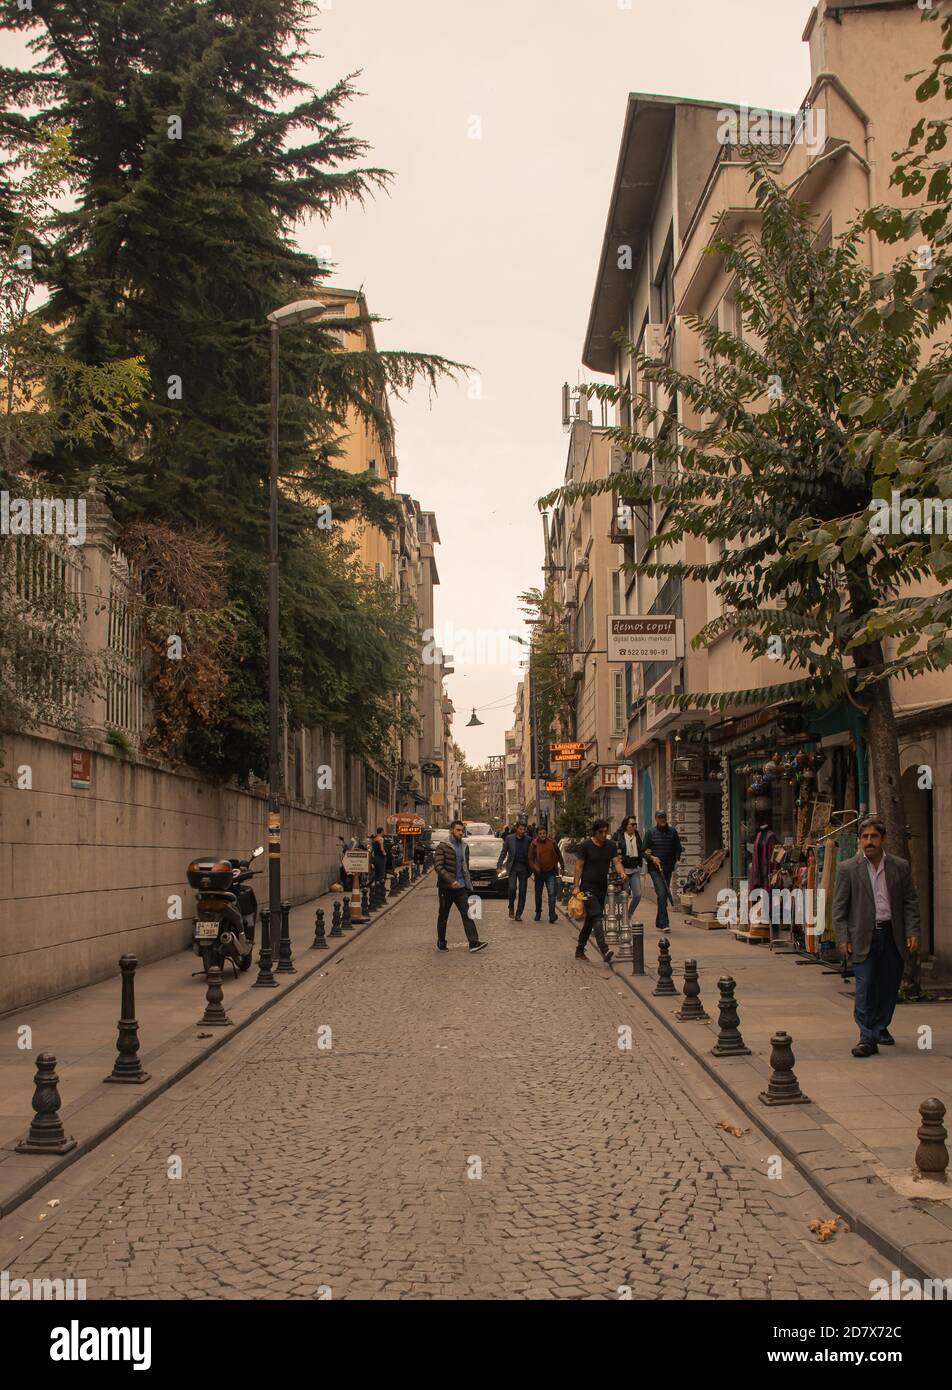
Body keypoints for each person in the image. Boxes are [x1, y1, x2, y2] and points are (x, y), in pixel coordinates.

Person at [832, 815, 919, 1057]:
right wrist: (842, 938)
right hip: (862, 936)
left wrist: (913, 930)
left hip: (892, 935)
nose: (869, 841)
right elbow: (839, 909)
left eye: (874, 837)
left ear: (883, 839)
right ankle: (867, 1037)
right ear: (859, 840)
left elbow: (910, 901)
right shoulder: (848, 868)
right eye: (865, 837)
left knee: (890, 987)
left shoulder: (899, 866)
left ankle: (880, 1027)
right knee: (865, 986)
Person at [572, 820, 624, 963]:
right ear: (594, 832)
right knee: (597, 915)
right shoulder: (586, 846)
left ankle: (579, 950)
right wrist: (576, 885)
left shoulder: (610, 846)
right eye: (600, 832)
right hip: (587, 888)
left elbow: (616, 862)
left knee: (590, 920)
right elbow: (578, 867)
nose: (603, 835)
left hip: (602, 887)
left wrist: (622, 873)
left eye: (605, 832)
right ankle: (604, 949)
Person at [433, 821, 488, 954]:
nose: (460, 833)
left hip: (461, 887)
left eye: (462, 830)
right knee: (443, 915)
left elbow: (464, 866)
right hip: (446, 888)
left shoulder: (464, 846)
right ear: (452, 830)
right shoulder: (443, 846)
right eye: (458, 830)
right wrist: (451, 881)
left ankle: (473, 942)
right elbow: (438, 866)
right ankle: (441, 942)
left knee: (467, 913)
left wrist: (466, 882)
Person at [641, 810, 682, 931]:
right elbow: (642, 851)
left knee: (662, 895)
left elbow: (678, 848)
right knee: (663, 893)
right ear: (656, 819)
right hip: (655, 869)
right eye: (660, 817)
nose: (662, 819)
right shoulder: (650, 833)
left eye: (664, 817)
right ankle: (664, 923)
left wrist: (676, 859)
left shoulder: (673, 832)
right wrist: (652, 857)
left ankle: (660, 921)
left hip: (668, 868)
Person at [528, 826, 565, 923]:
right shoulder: (534, 844)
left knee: (552, 893)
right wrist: (535, 868)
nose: (542, 835)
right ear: (537, 835)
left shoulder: (552, 843)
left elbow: (559, 854)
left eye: (544, 833)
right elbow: (530, 859)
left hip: (550, 872)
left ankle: (552, 914)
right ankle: (538, 912)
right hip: (539, 873)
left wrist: (562, 866)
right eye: (540, 834)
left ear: (546, 833)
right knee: (538, 894)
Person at [497, 821, 531, 920]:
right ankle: (511, 906)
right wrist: (499, 865)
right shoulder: (509, 839)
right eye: (520, 829)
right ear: (516, 829)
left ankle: (518, 914)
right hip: (512, 868)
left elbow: (533, 853)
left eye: (524, 830)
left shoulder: (528, 840)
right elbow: (503, 853)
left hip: (524, 868)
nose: (522, 831)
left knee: (523, 891)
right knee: (512, 888)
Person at [613, 815, 644, 918]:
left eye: (635, 824)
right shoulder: (618, 835)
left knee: (638, 895)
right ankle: (624, 918)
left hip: (634, 869)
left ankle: (629, 914)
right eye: (632, 824)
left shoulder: (637, 836)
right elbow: (613, 849)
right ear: (626, 825)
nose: (635, 826)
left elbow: (641, 849)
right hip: (623, 870)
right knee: (624, 896)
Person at [371, 827, 387, 892]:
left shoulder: (374, 839)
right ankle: (381, 888)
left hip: (375, 857)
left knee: (377, 873)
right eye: (383, 832)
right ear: (382, 831)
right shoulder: (381, 839)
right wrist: (385, 854)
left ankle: (375, 887)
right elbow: (381, 848)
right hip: (380, 857)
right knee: (381, 873)